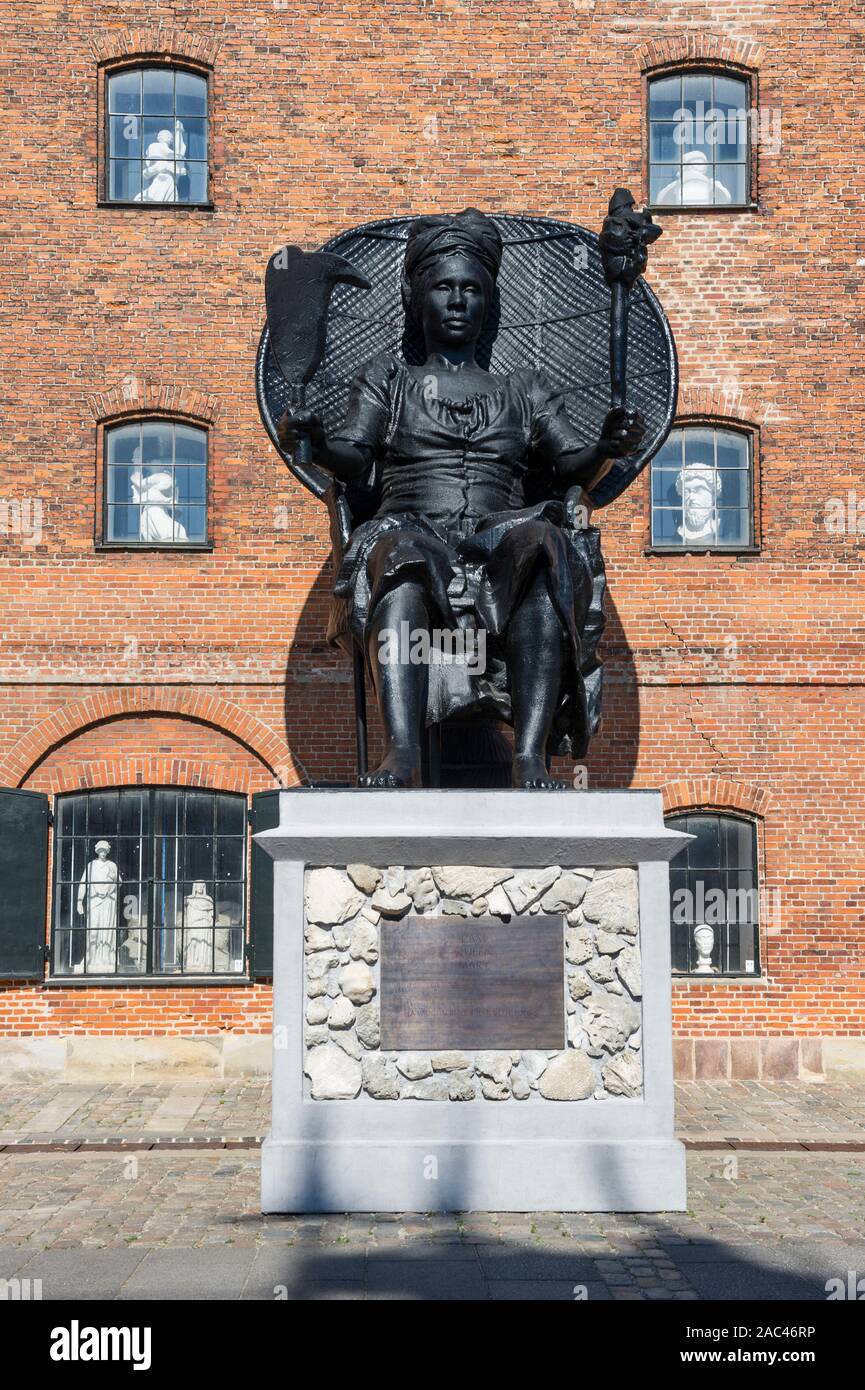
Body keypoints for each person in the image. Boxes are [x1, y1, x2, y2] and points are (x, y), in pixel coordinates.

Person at [278, 209, 645, 788]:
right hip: (414, 525)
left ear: (488, 300)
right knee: (400, 555)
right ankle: (402, 752)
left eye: (471, 289)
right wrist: (319, 443)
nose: (457, 300)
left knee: (545, 544)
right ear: (415, 295)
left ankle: (529, 754)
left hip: (500, 535)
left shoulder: (523, 390)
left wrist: (605, 443)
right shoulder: (389, 381)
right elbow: (354, 453)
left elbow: (574, 465)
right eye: (443, 287)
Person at [77, 840, 119, 974]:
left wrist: (113, 877)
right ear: (97, 851)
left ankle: (106, 958)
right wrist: (79, 901)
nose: (102, 853)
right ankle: (90, 957)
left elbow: (119, 882)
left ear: (107, 851)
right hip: (94, 900)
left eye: (105, 850)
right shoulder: (91, 865)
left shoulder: (112, 865)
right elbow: (83, 883)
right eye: (100, 850)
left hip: (108, 901)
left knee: (107, 930)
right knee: (93, 929)